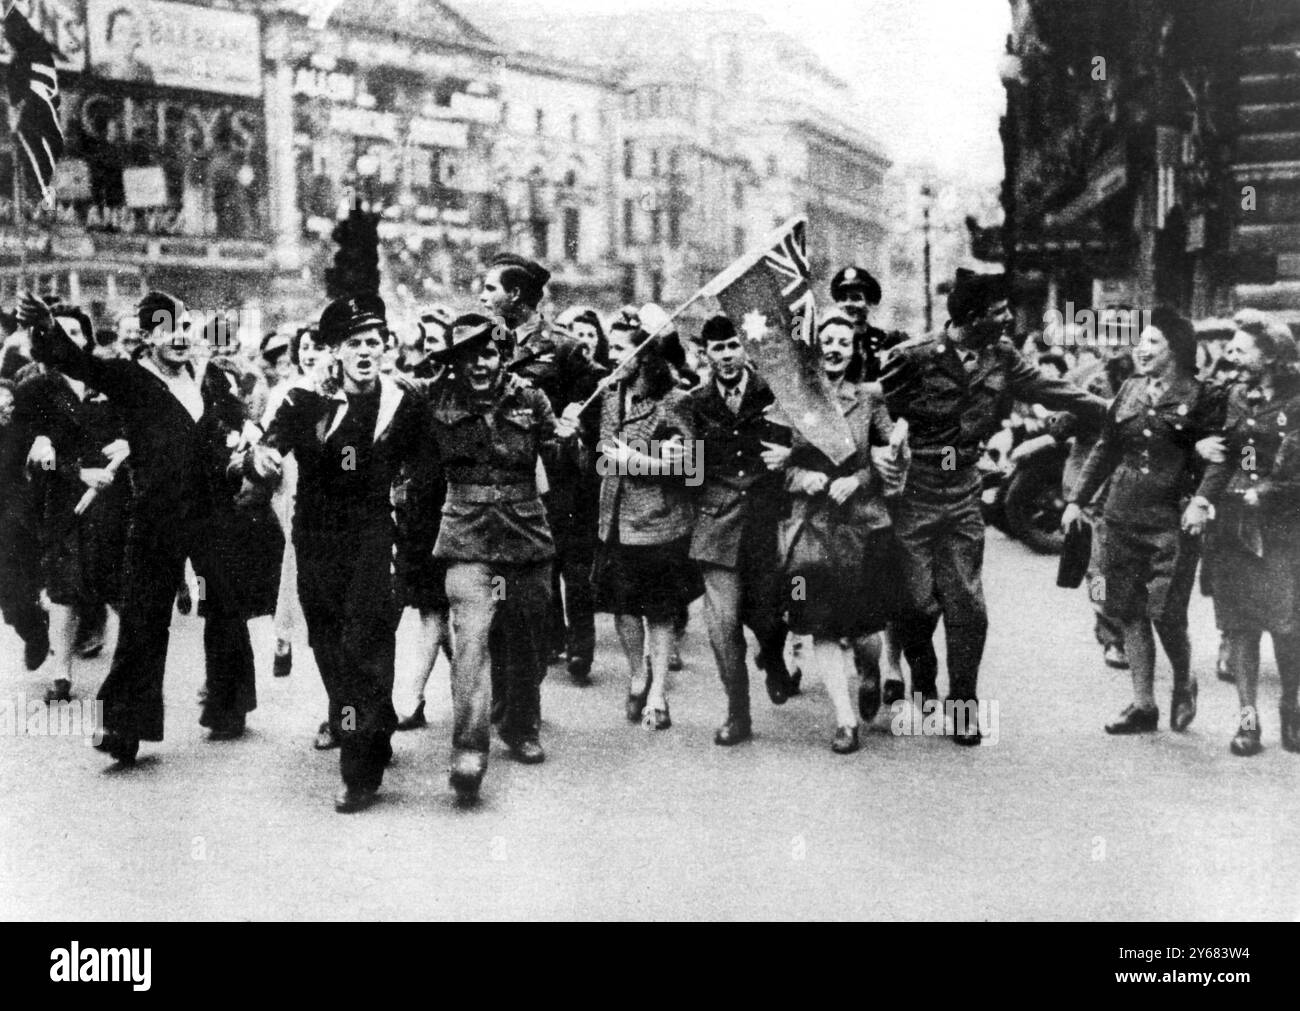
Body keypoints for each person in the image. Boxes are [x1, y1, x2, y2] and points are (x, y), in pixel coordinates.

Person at [24, 290, 262, 762]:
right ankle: (123, 727)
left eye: (183, 328)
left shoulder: (207, 376)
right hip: (156, 516)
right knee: (144, 616)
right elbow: (76, 361)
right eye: (164, 329)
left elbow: (232, 414)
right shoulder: (130, 379)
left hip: (213, 510)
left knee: (225, 605)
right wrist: (47, 326)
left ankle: (228, 705)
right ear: (148, 337)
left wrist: (247, 431)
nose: (177, 337)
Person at [881, 270, 1108, 745]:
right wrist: (880, 455)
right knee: (916, 604)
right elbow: (876, 413)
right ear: (971, 315)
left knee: (968, 606)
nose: (1008, 318)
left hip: (963, 489)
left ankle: (963, 706)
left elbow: (1053, 390)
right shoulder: (913, 358)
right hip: (914, 490)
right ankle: (923, 678)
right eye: (999, 311)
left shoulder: (1001, 356)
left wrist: (1114, 411)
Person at [247, 293, 429, 812]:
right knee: (328, 644)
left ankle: (359, 769)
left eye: (374, 342)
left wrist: (414, 531)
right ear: (334, 350)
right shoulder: (305, 400)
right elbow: (269, 445)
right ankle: (370, 724)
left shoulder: (402, 400)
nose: (366, 352)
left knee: (366, 642)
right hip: (316, 535)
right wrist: (259, 458)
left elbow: (423, 465)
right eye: (355, 344)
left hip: (373, 532)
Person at [425, 313, 569, 800]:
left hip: (526, 535)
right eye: (468, 357)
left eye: (487, 354)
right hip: (466, 536)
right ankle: (468, 751)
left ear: (503, 356)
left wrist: (570, 439)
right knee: (471, 641)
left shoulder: (531, 398)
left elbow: (568, 458)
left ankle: (522, 724)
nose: (479, 365)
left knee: (529, 636)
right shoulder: (434, 397)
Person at [1064, 307, 1221, 736]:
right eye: (1141, 341)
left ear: (1175, 349)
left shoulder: (1203, 395)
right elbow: (1105, 448)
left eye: (1152, 342)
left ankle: (1184, 680)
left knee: (1168, 614)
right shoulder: (1130, 388)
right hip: (1121, 516)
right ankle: (1143, 704)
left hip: (1172, 519)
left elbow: (1221, 458)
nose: (1141, 348)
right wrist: (1077, 500)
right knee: (1128, 610)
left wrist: (1202, 500)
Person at [778, 314, 902, 752]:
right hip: (813, 528)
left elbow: (890, 459)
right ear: (814, 346)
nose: (833, 349)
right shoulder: (793, 399)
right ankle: (844, 719)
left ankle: (870, 673)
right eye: (826, 341)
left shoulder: (869, 397)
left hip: (863, 525)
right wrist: (801, 478)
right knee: (822, 625)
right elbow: (776, 463)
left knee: (866, 629)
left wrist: (862, 479)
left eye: (842, 343)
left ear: (854, 350)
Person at [4, 305, 128, 704]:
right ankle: (61, 675)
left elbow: (139, 427)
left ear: (88, 339)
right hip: (61, 499)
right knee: (64, 588)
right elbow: (22, 448)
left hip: (115, 496)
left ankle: (130, 671)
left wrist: (128, 445)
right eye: (60, 332)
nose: (69, 339)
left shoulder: (111, 384)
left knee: (124, 584)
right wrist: (71, 469)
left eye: (76, 332)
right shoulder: (35, 389)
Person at [1193, 311, 1300, 755]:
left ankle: (1291, 711)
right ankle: (1247, 719)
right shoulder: (1233, 395)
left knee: (1288, 626)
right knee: (1239, 628)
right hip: (1233, 525)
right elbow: (1221, 451)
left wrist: (1267, 492)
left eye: (1243, 348)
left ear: (1271, 354)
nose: (1232, 356)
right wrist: (1202, 495)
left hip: (1284, 526)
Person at [688, 314, 797, 745]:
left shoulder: (775, 391)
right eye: (718, 348)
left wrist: (789, 457)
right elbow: (691, 471)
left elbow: (803, 441)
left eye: (734, 345)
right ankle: (738, 713)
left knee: (770, 614)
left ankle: (773, 658)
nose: (727, 355)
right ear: (706, 354)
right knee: (722, 623)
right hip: (716, 522)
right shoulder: (694, 402)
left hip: (767, 518)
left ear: (746, 348)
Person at [591, 319, 699, 729]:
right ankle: (638, 675)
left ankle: (658, 694)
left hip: (658, 520)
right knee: (622, 607)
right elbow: (604, 454)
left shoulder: (674, 400)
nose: (612, 356)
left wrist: (639, 461)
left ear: (644, 354)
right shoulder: (608, 393)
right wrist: (629, 458)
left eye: (621, 349)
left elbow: (693, 466)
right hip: (614, 518)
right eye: (612, 348)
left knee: (659, 609)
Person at [1046, 306, 1137, 671]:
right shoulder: (1084, 377)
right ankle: (1109, 634)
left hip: (1135, 488)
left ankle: (1134, 629)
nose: (1115, 343)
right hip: (1090, 487)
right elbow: (1056, 428)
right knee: (1098, 570)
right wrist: (1075, 412)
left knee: (1133, 566)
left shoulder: (1152, 379)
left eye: (1123, 334)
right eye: (1108, 334)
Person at [393, 309, 453, 729]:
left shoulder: (462, 392)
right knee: (432, 606)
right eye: (422, 342)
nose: (428, 349)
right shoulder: (415, 391)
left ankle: (413, 696)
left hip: (460, 512)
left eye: (435, 341)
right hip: (419, 513)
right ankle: (413, 696)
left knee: (443, 608)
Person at [265, 324, 333, 679]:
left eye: (318, 347)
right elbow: (268, 443)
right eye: (304, 347)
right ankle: (284, 635)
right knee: (292, 558)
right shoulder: (286, 393)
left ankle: (293, 634)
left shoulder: (340, 392)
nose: (309, 354)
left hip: (322, 483)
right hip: (289, 483)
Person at [830, 265, 906, 383]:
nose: (847, 304)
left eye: (856, 298)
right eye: (842, 298)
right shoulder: (826, 344)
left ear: (870, 303)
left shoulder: (887, 341)